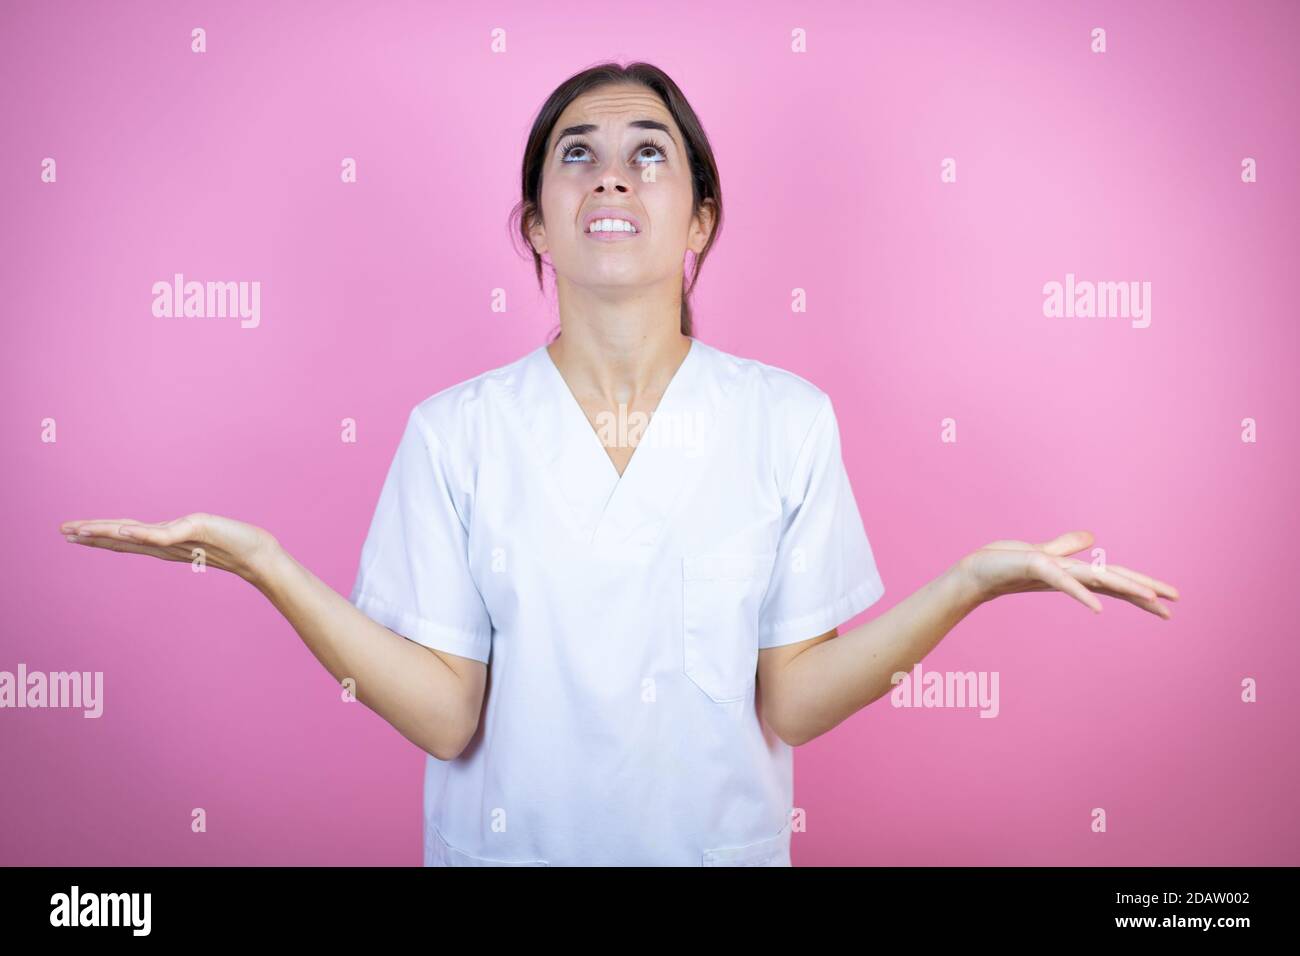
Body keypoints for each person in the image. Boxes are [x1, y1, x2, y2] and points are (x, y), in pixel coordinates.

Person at [59, 62, 1179, 867]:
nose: (611, 176)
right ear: (537, 226)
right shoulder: (455, 433)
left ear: (698, 220)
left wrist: (971, 582)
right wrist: (266, 565)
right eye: (575, 155)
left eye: (651, 153)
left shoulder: (784, 419)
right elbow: (450, 717)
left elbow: (790, 697)